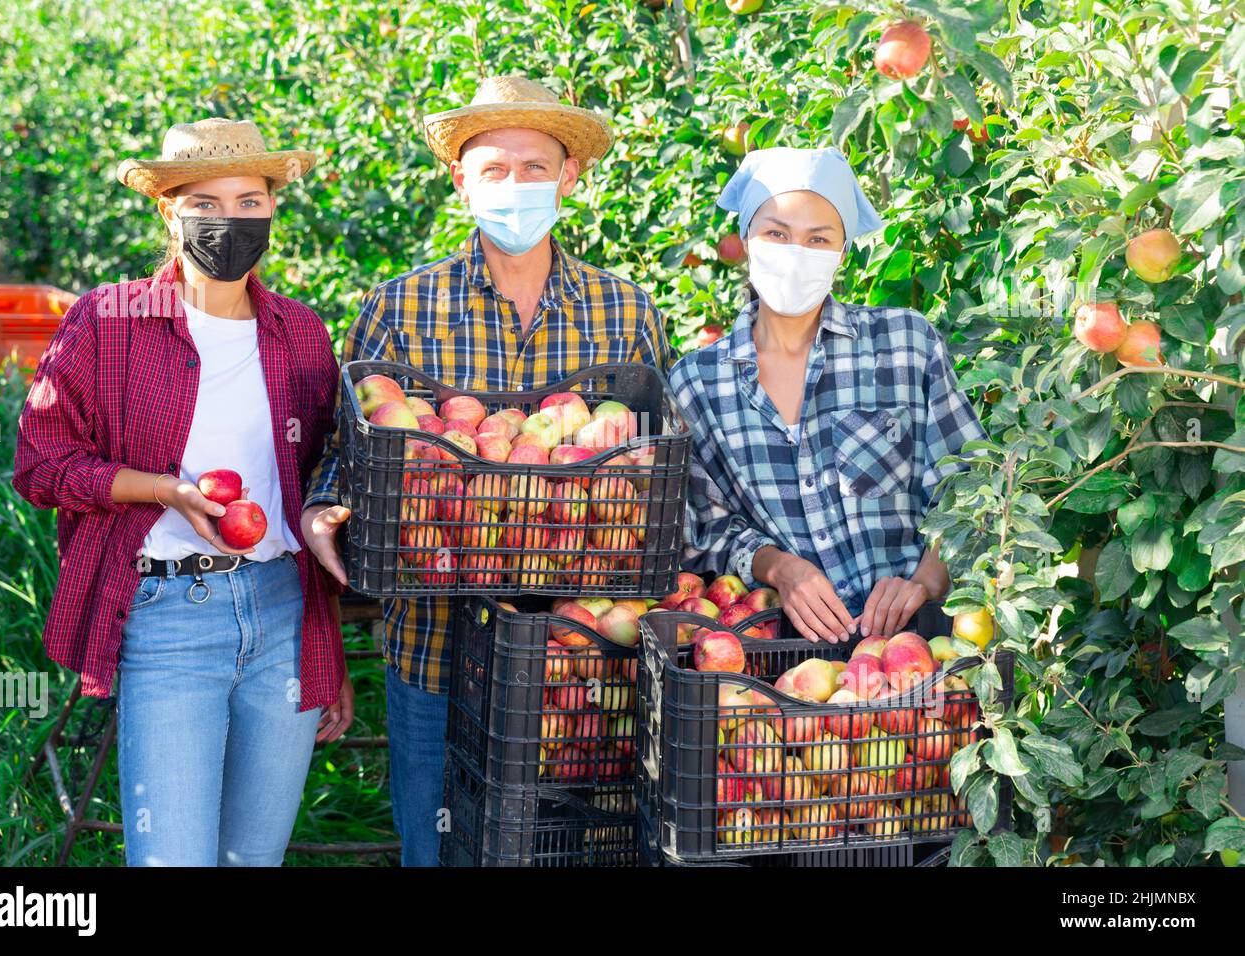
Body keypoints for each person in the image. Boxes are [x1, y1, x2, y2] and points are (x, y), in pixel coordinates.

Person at [300, 75, 675, 866]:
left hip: (581, 650)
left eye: (535, 168)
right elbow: (348, 446)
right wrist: (324, 510)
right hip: (436, 645)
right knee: (435, 846)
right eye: (494, 169)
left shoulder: (625, 309)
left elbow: (654, 458)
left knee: (575, 849)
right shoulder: (402, 307)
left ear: (570, 178)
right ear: (459, 179)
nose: (516, 186)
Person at [12, 117, 354, 866]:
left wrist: (325, 651)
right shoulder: (109, 321)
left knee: (252, 858)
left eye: (249, 201)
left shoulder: (301, 334)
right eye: (204, 202)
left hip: (283, 613)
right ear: (168, 210)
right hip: (168, 619)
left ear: (271, 209)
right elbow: (41, 465)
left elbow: (322, 478)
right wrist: (161, 491)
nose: (229, 220)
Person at [669, 147, 986, 645]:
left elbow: (971, 485)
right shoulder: (699, 384)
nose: (796, 252)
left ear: (841, 252)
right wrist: (777, 567)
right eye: (776, 233)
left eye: (818, 239)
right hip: (780, 659)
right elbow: (702, 530)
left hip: (917, 646)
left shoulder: (904, 345)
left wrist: (926, 579)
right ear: (747, 239)